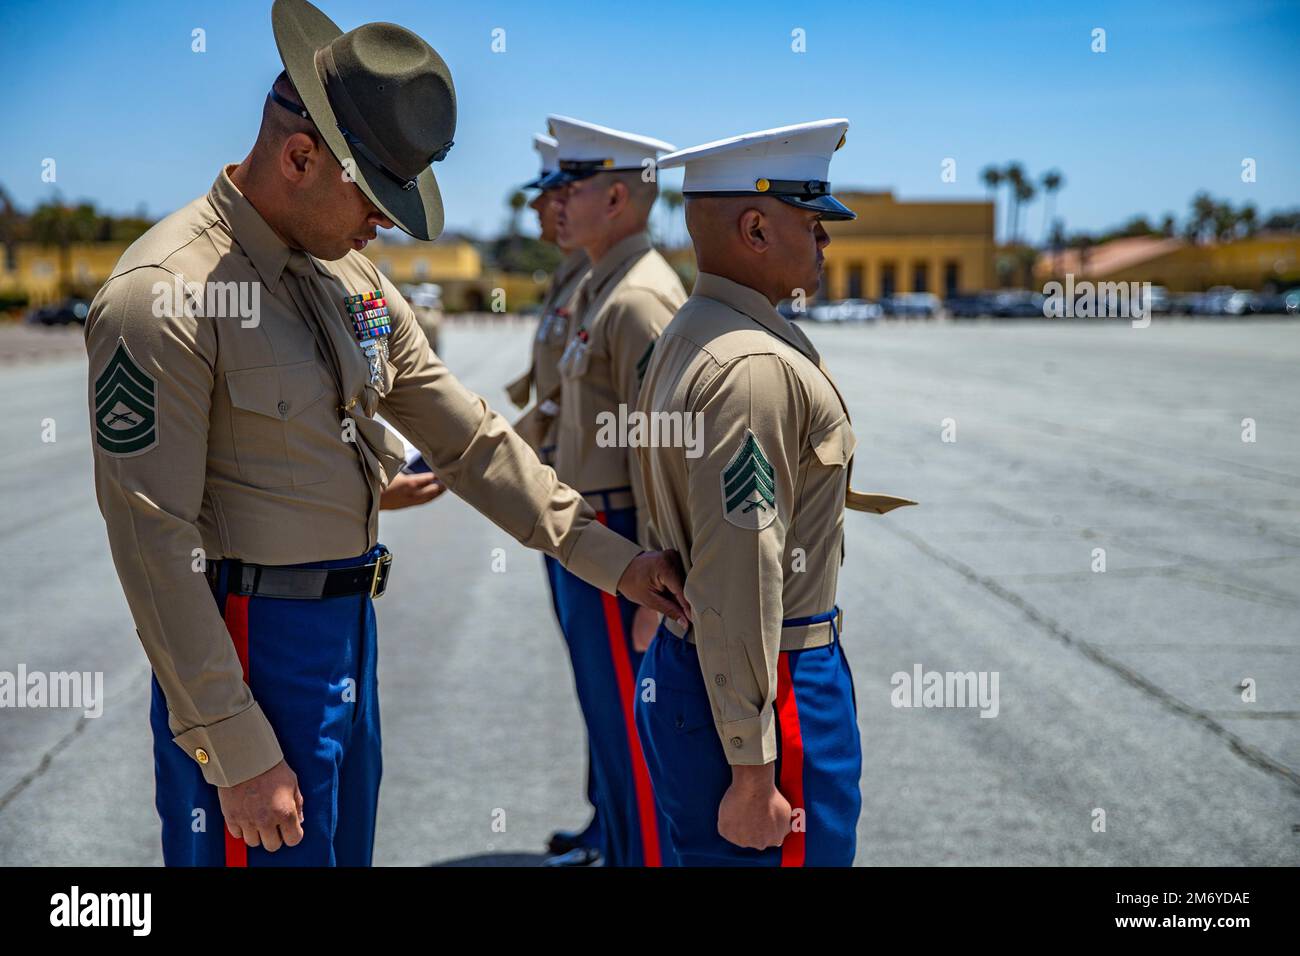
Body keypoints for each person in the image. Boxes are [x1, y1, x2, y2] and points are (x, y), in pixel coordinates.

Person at [85, 0, 689, 867]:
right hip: (248, 651)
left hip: (343, 640)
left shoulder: (349, 279)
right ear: (300, 157)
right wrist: (234, 743)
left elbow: (467, 438)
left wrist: (611, 558)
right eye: (376, 199)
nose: (386, 225)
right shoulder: (161, 297)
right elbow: (153, 542)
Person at [633, 120, 915, 866]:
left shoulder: (691, 331)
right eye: (812, 222)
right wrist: (755, 770)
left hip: (707, 664)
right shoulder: (752, 368)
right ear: (754, 227)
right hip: (770, 683)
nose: (826, 242)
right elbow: (741, 566)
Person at [536, 115, 686, 866]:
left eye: (574, 184)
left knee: (636, 732)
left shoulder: (638, 298)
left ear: (620, 198)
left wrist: (659, 579)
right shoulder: (604, 285)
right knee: (611, 717)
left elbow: (669, 451)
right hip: (593, 533)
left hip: (623, 540)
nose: (558, 200)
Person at [503, 132, 603, 865]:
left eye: (556, 194)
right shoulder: (575, 279)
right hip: (562, 499)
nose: (546, 210)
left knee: (618, 695)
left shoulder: (607, 285)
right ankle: (611, 822)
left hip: (595, 513)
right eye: (546, 196)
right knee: (596, 688)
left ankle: (625, 835)